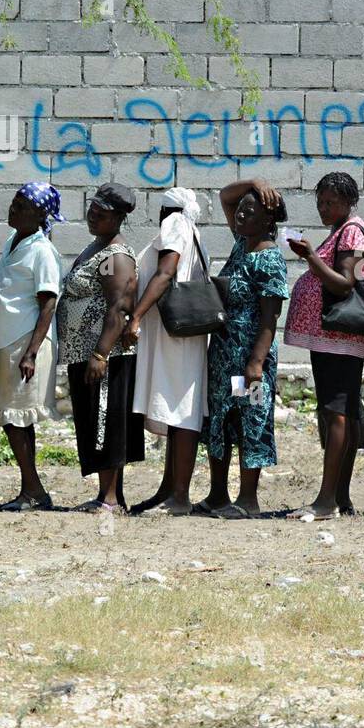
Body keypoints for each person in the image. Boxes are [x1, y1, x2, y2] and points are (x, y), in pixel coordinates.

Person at [282, 172, 364, 521]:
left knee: (335, 412)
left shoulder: (350, 230)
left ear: (348, 201)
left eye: (331, 202)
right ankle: (340, 496)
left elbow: (345, 284)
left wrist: (310, 257)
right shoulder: (341, 229)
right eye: (320, 202)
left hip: (338, 338)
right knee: (342, 411)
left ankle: (325, 501)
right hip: (331, 339)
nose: (324, 208)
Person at [201, 179, 289, 519]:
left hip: (249, 364)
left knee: (249, 419)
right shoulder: (242, 244)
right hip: (224, 359)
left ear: (268, 221)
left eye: (249, 211)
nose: (239, 214)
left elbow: (270, 318)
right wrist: (254, 184)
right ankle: (217, 495)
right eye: (240, 210)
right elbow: (224, 195)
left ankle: (248, 499)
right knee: (220, 422)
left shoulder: (268, 259)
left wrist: (256, 362)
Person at [124, 187, 210, 517]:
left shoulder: (174, 224)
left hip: (175, 333)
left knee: (182, 410)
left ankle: (181, 495)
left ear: (167, 209)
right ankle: (169, 488)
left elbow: (166, 271)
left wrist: (137, 315)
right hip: (178, 333)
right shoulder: (191, 229)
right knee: (177, 408)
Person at [57, 182, 143, 513]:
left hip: (105, 356)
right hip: (87, 354)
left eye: (101, 214)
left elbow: (119, 307)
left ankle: (109, 498)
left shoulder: (115, 257)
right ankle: (108, 495)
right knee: (96, 420)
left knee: (106, 420)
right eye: (91, 210)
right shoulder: (96, 247)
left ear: (118, 218)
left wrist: (100, 353)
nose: (93, 216)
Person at [0, 183, 63, 512]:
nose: (13, 209)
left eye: (21, 206)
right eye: (14, 203)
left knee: (18, 420)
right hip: (6, 343)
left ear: (40, 214)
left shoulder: (41, 250)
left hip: (24, 345)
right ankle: (31, 487)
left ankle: (33, 489)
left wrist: (31, 353)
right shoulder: (13, 241)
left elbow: (48, 304)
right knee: (12, 419)